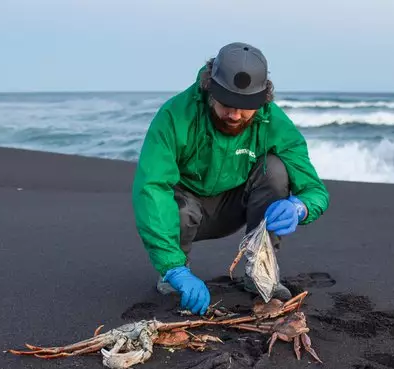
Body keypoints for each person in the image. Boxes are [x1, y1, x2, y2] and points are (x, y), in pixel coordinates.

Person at [132, 42, 330, 315]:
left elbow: (314, 190)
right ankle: (175, 272)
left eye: (246, 106)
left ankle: (258, 271)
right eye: (226, 104)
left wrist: (300, 207)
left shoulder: (273, 123)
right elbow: (151, 187)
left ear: (263, 99)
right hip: (186, 211)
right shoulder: (174, 116)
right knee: (170, 203)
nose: (235, 115)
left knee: (275, 168)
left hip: (235, 207)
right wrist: (172, 266)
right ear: (209, 88)